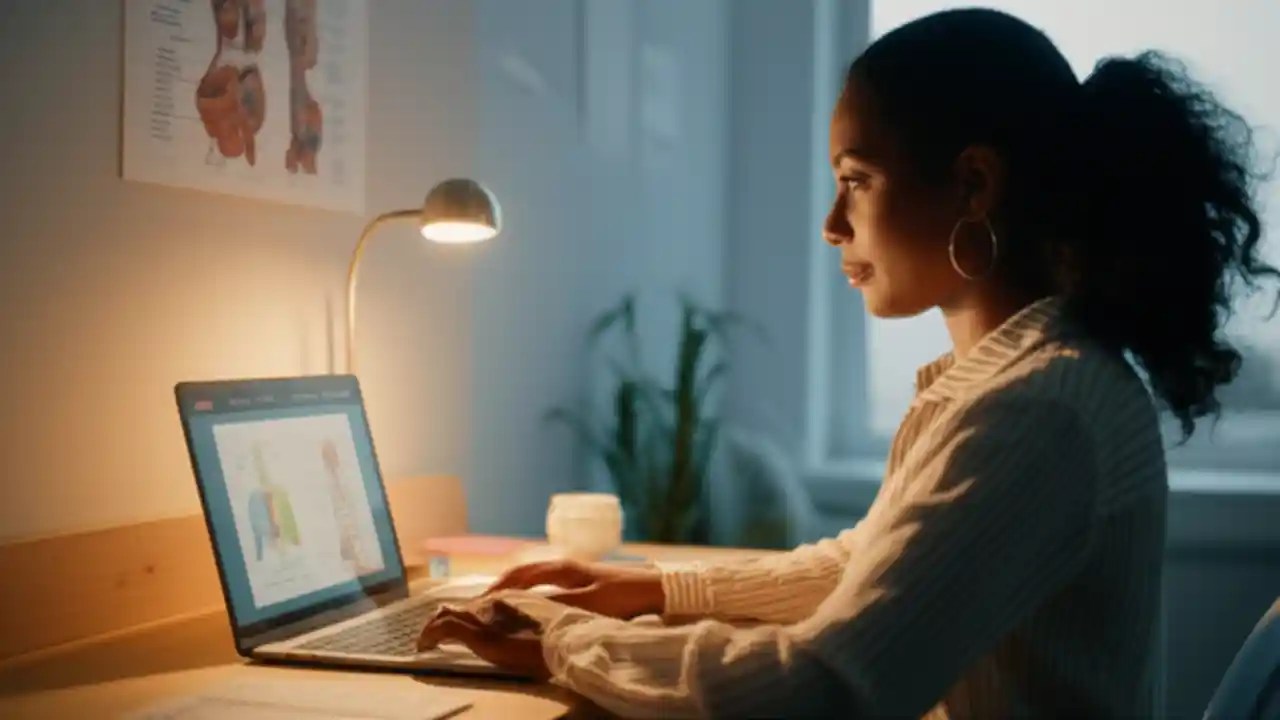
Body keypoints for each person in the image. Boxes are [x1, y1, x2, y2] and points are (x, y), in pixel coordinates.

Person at [417, 8, 1279, 718]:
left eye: (857, 180)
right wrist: (641, 591)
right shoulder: (1024, 380)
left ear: (975, 186)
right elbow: (862, 569)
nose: (833, 223)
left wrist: (560, 641)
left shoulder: (1041, 409)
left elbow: (826, 687)